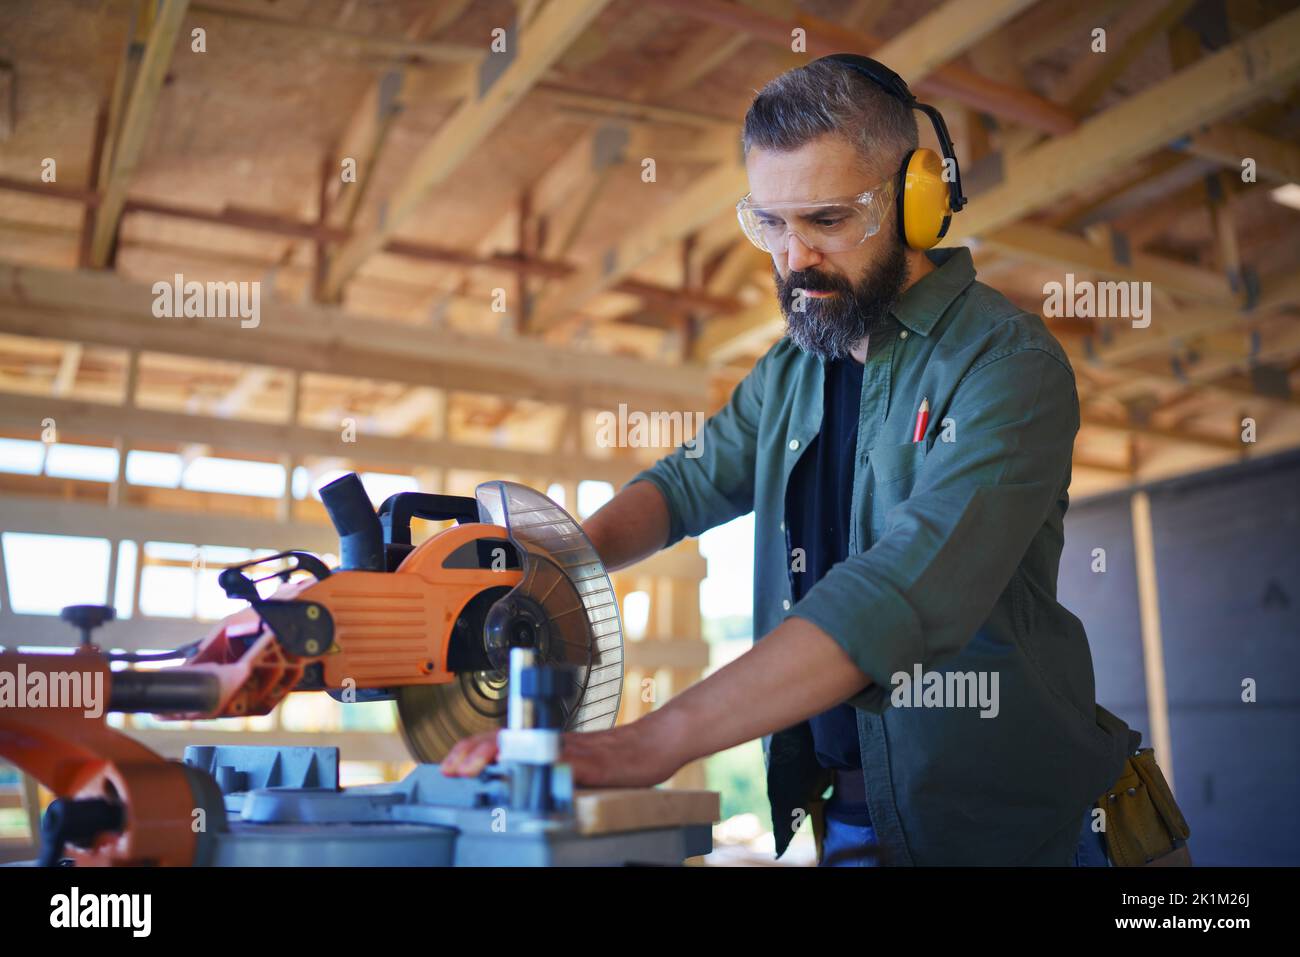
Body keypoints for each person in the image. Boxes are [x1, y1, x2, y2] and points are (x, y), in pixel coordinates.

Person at [443, 55, 1131, 866]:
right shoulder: (794, 369)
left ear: (918, 199)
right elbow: (684, 486)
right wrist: (545, 565)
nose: (793, 258)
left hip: (1010, 831)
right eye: (769, 222)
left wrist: (645, 744)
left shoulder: (1006, 366)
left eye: (827, 220)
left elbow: (902, 592)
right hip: (848, 818)